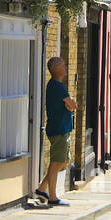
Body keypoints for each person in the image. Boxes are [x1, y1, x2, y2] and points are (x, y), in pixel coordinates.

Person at [36, 56, 77, 207]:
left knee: (63, 160)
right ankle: (52, 197)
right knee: (56, 162)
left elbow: (72, 105)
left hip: (61, 128)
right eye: (63, 65)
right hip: (59, 128)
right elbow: (73, 105)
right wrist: (70, 104)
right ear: (56, 69)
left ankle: (42, 189)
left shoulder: (57, 85)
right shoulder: (57, 86)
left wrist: (70, 104)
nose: (65, 67)